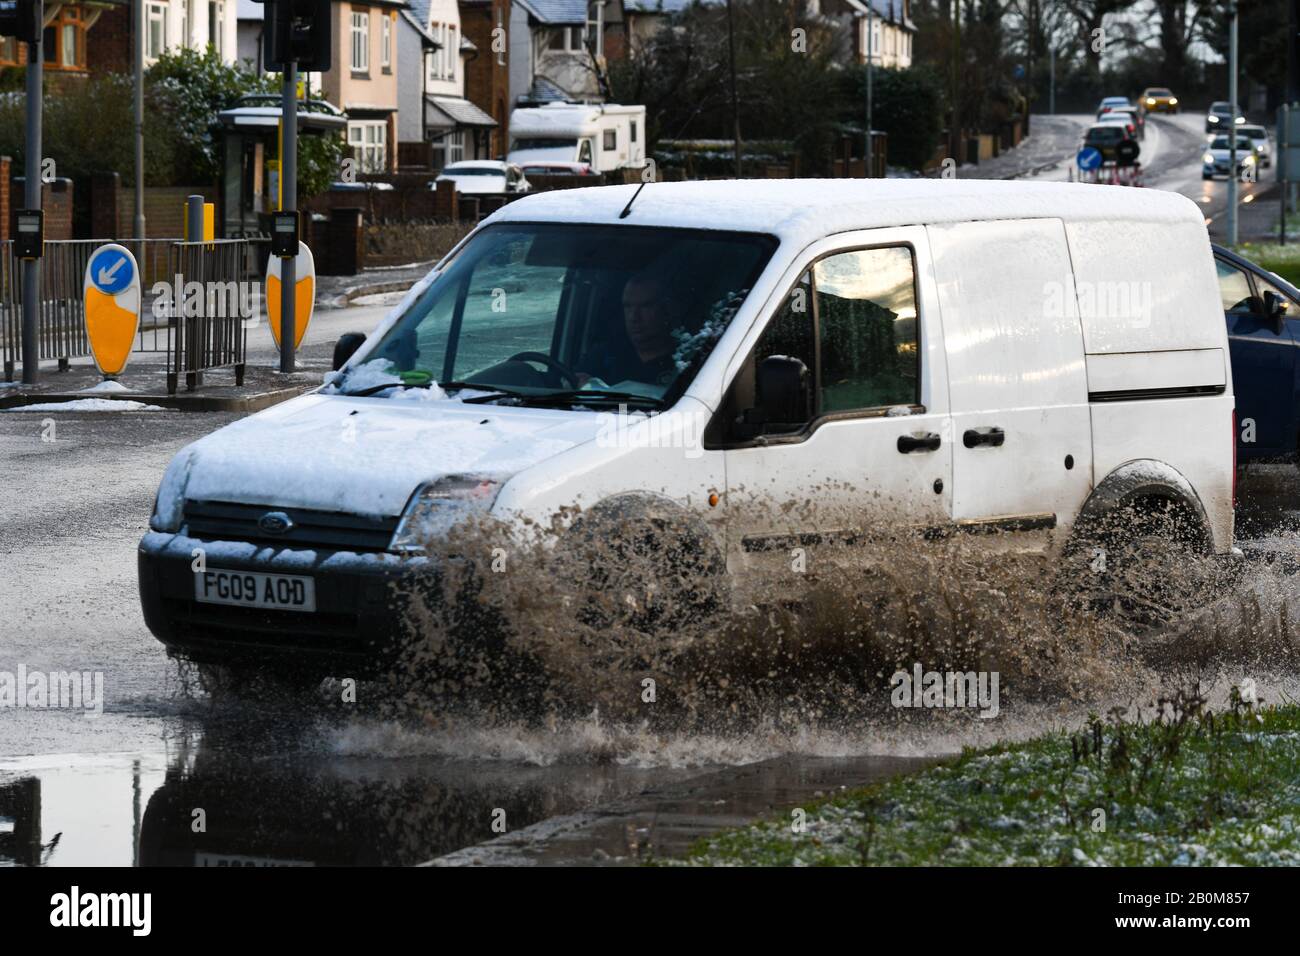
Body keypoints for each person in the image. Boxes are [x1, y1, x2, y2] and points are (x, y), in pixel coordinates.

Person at [579, 272, 684, 387]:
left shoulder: (684, 363)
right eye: (628, 306)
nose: (633, 317)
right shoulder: (605, 357)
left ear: (666, 309)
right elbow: (570, 386)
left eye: (645, 306)